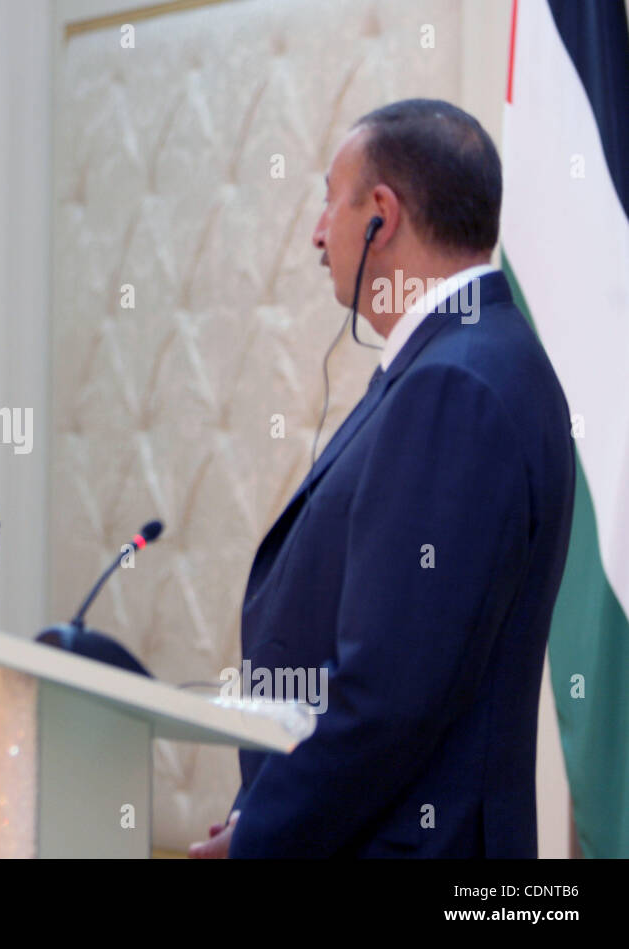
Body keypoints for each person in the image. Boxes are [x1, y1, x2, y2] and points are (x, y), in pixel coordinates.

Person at [191, 99, 575, 858]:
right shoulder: (471, 358)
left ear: (381, 214)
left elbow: (390, 691)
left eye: (329, 198)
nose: (316, 231)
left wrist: (261, 836)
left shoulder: (456, 384)